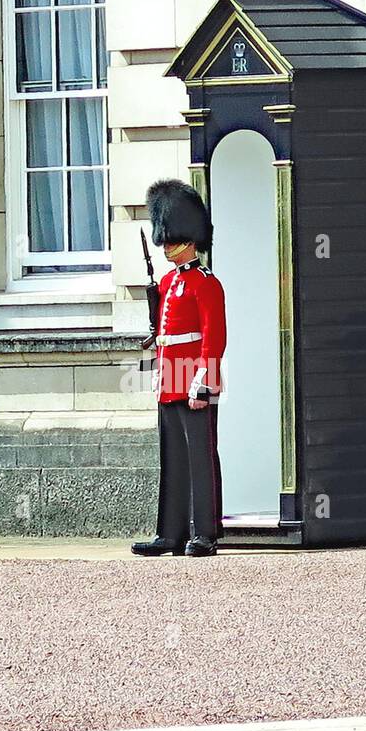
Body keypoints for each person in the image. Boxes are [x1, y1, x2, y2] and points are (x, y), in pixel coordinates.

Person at [132, 180, 227, 558]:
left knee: (200, 456)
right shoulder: (169, 282)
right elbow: (165, 335)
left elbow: (213, 338)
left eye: (171, 239)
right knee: (172, 456)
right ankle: (169, 532)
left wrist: (203, 383)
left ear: (189, 239)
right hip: (170, 373)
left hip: (194, 374)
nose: (166, 246)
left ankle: (205, 532)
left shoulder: (206, 283)